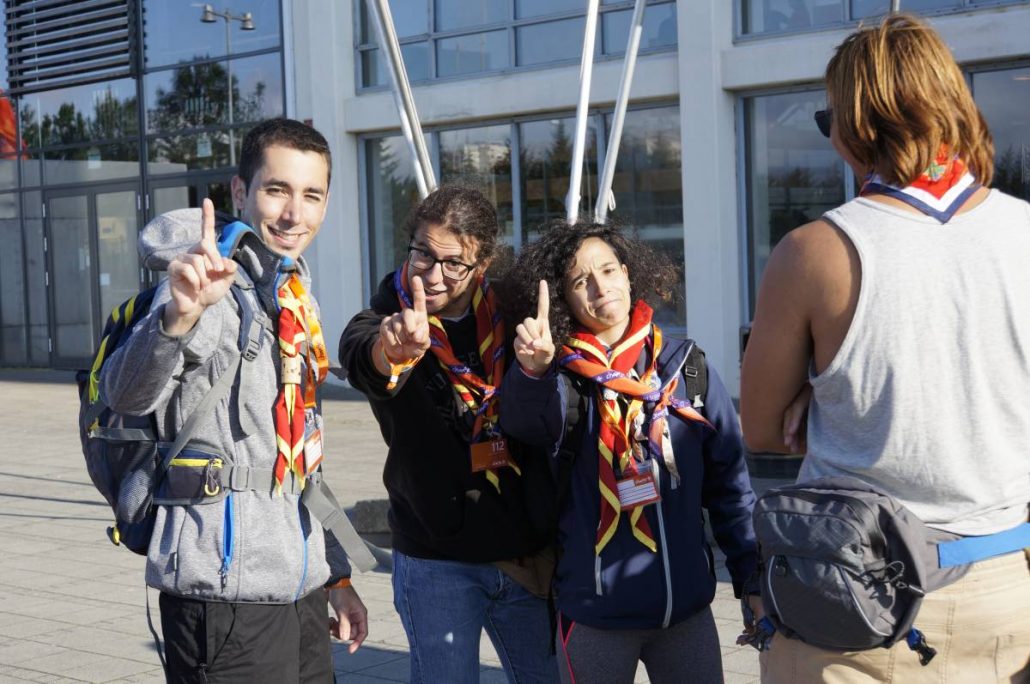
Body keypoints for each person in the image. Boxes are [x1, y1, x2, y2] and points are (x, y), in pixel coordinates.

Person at [740, 14, 1030, 683]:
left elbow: (761, 427)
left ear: (851, 129)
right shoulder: (1021, 231)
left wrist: (828, 389)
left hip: (852, 597)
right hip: (1005, 589)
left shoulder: (815, 252)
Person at [101, 118, 368, 682]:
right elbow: (125, 393)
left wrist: (335, 575)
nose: (295, 214)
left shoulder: (292, 296)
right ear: (241, 192)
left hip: (298, 586)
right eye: (277, 190)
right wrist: (178, 318)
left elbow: (300, 460)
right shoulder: (208, 286)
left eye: (311, 195)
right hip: (224, 592)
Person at [496, 221, 759, 684]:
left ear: (629, 273)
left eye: (609, 269)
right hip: (595, 617)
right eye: (581, 281)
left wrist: (751, 578)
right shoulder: (561, 378)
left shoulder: (687, 367)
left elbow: (730, 487)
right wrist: (532, 373)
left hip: (685, 614)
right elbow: (524, 423)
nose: (600, 287)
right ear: (565, 299)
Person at [338, 186, 559, 684]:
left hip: (523, 553)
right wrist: (391, 353)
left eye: (453, 263)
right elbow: (361, 355)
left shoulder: (515, 314)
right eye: (422, 253)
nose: (433, 274)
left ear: (481, 262)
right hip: (436, 558)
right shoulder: (384, 318)